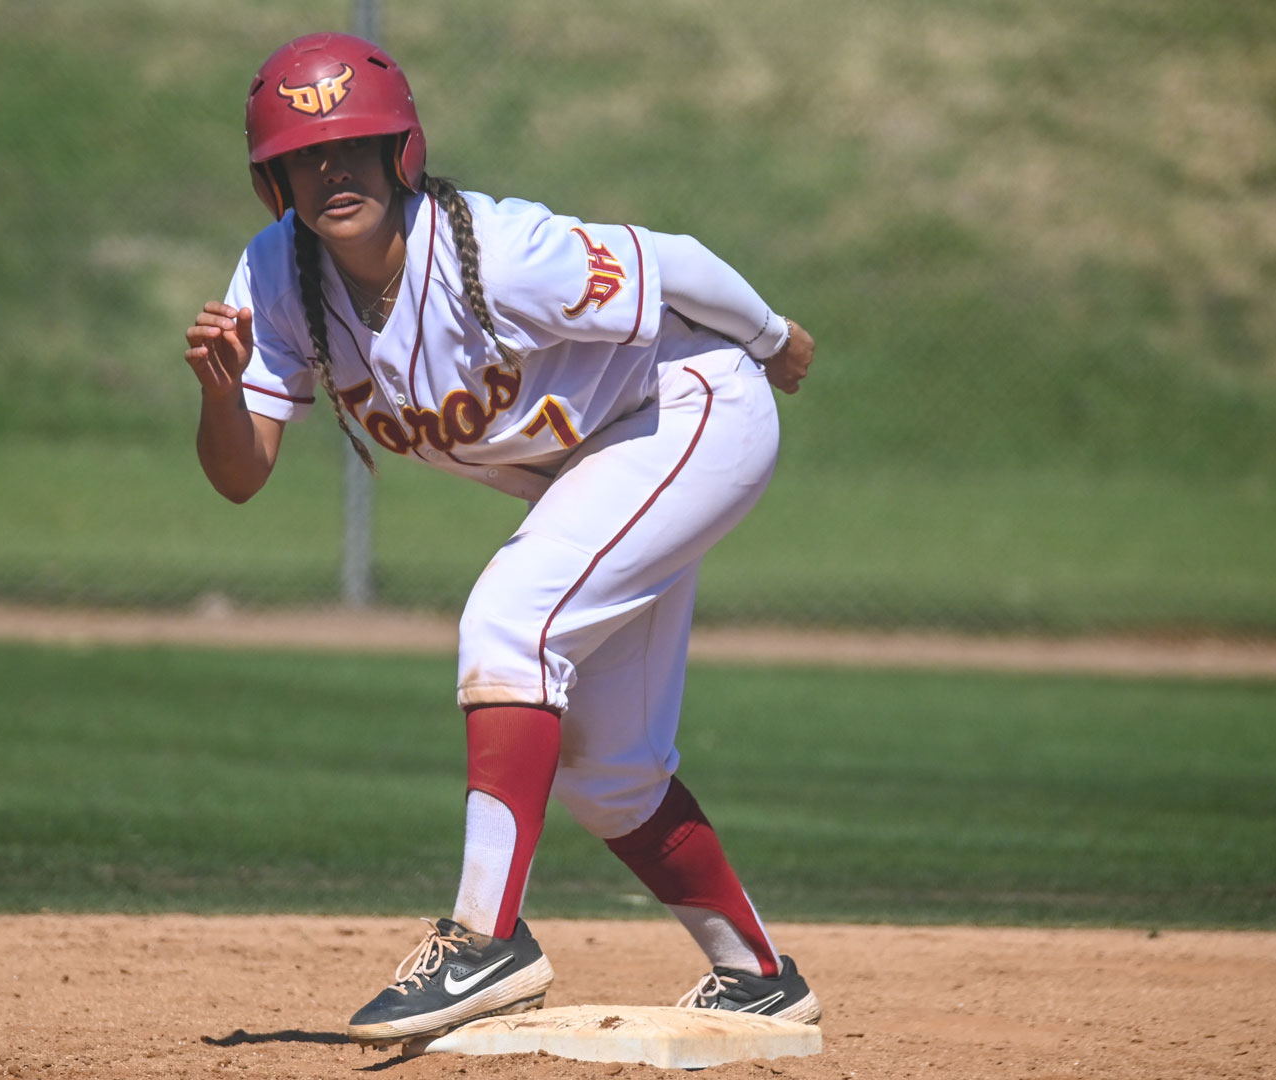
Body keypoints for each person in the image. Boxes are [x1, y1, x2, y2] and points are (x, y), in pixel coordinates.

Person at [183, 32, 821, 1047]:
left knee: (510, 624)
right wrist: (221, 396)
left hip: (692, 409)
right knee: (612, 776)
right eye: (306, 155)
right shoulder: (276, 275)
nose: (332, 170)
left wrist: (776, 336)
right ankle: (757, 976)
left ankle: (486, 939)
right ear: (275, 178)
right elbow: (240, 475)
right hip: (605, 465)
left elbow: (676, 264)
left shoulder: (506, 253)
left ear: (404, 151)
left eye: (354, 145)